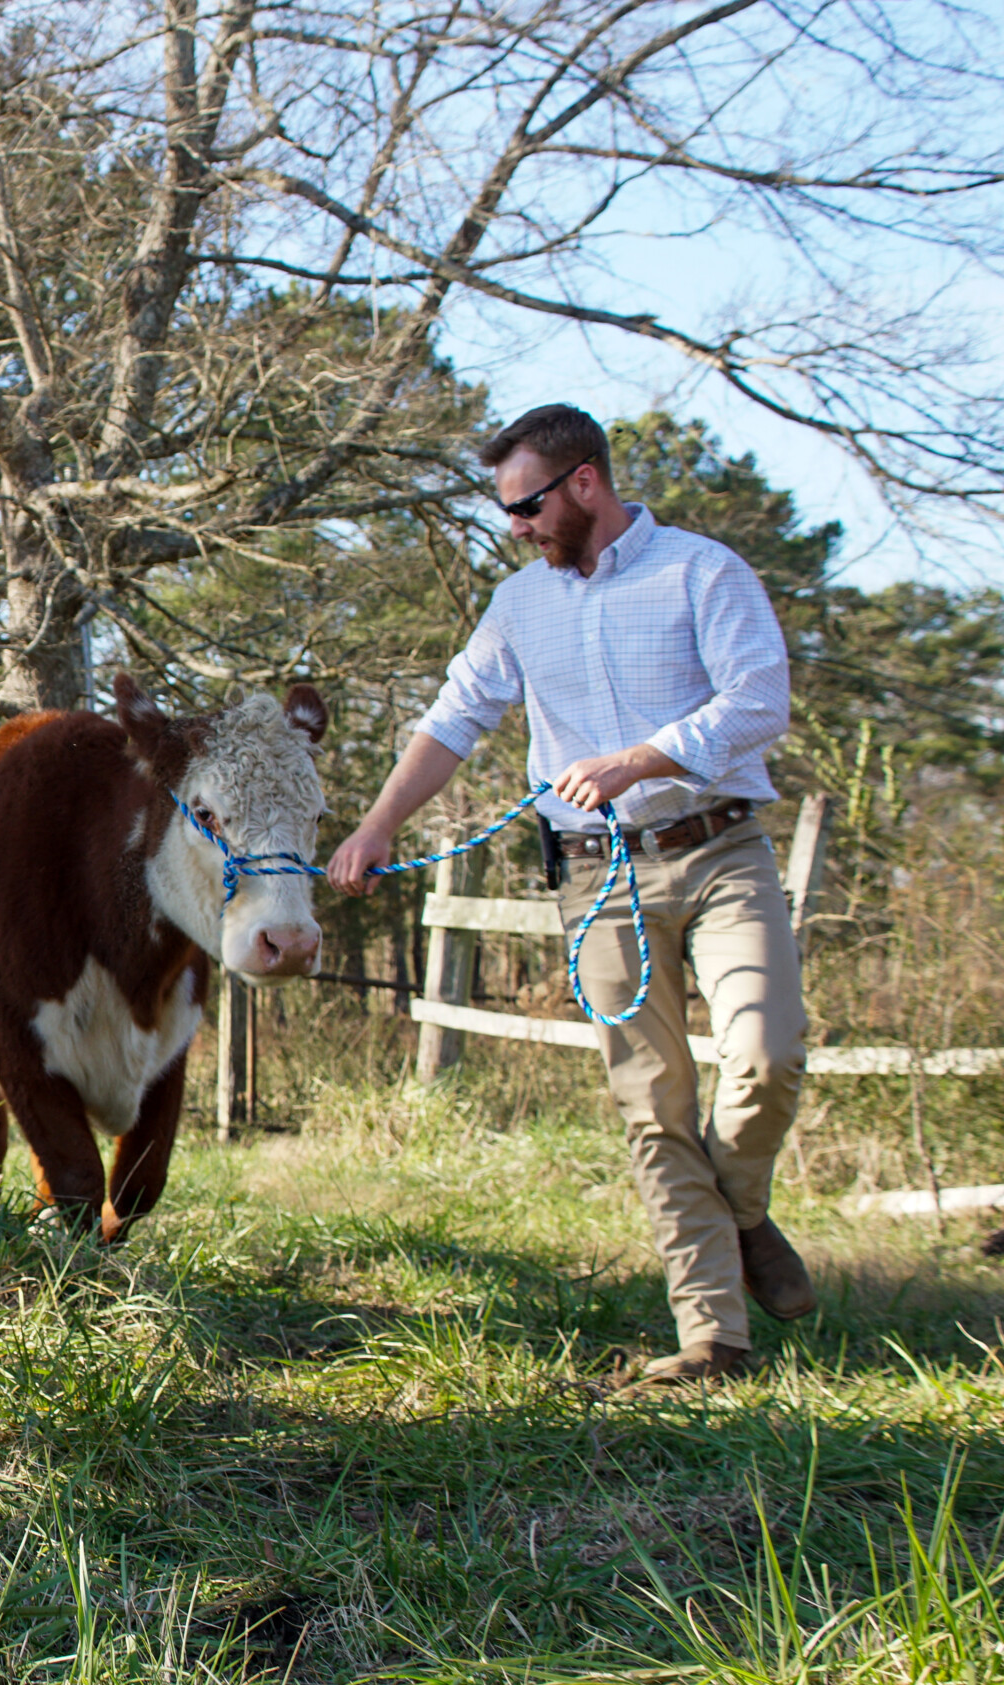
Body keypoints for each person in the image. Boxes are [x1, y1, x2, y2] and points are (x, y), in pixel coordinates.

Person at [327, 403, 816, 1388]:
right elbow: (454, 718)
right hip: (596, 875)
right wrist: (376, 825)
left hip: (717, 848)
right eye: (507, 512)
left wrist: (642, 757)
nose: (516, 528)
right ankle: (711, 1338)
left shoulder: (701, 571)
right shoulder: (519, 607)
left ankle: (742, 1209)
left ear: (583, 483)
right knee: (653, 1103)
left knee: (766, 1055)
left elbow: (760, 698)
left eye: (526, 507)